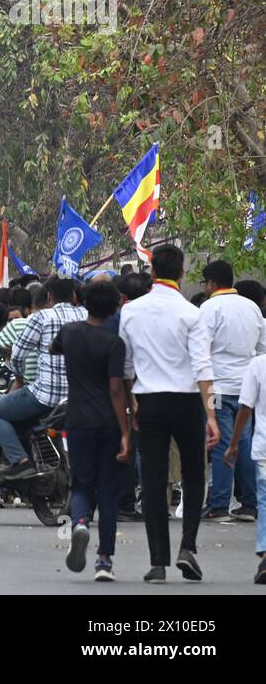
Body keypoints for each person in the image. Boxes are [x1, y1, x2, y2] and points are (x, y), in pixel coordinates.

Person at [119, 244, 218, 583]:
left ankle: (157, 560)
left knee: (153, 478)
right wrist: (211, 414)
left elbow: (127, 365)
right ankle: (187, 545)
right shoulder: (192, 314)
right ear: (181, 273)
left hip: (149, 401)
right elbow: (203, 366)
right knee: (194, 474)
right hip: (188, 400)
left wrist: (132, 405)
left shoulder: (131, 311)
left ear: (151, 272)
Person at [47, 279, 130, 581]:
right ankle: (104, 561)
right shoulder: (114, 344)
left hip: (77, 420)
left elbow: (52, 347)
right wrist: (125, 431)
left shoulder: (70, 333)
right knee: (108, 490)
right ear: (115, 307)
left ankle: (80, 522)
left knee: (81, 484)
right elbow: (117, 389)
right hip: (108, 421)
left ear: (82, 302)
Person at [0, 276, 83, 480]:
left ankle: (20, 461)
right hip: (81, 396)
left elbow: (19, 354)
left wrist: (19, 376)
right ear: (74, 296)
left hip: (44, 397)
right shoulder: (86, 314)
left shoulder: (42, 317)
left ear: (48, 296)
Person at [198, 259, 266, 520]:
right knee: (246, 442)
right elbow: (261, 350)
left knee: (221, 443)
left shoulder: (209, 308)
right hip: (247, 386)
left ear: (212, 283)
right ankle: (250, 503)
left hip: (217, 387)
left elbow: (201, 349)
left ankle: (218, 504)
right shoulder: (252, 308)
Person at [223, 349, 266, 583]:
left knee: (265, 502)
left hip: (264, 447)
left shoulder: (258, 365)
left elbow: (246, 408)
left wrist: (233, 444)